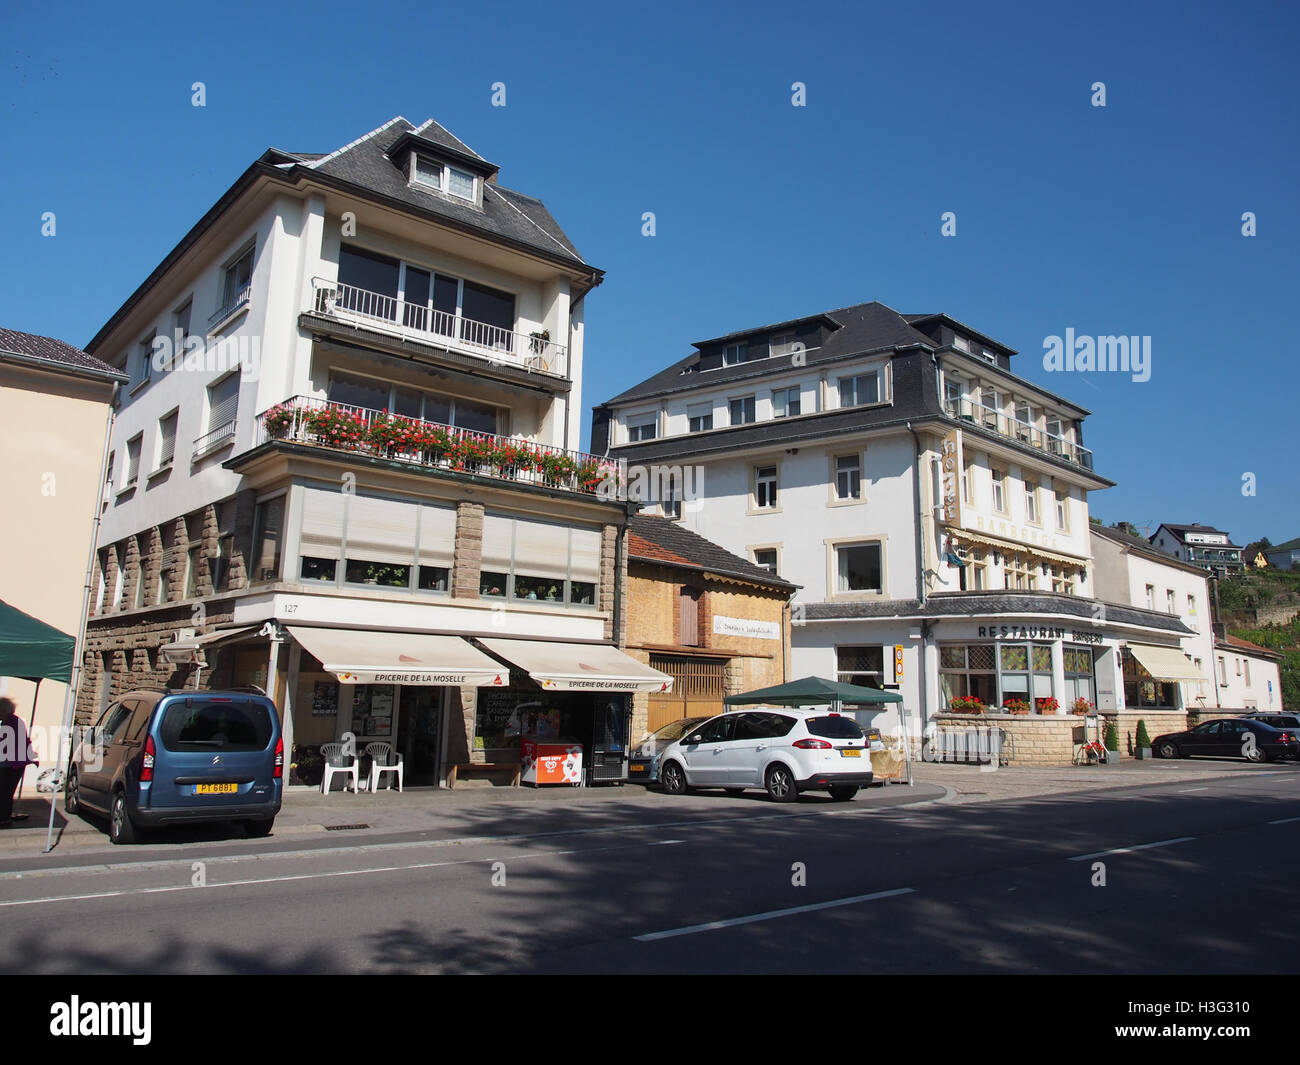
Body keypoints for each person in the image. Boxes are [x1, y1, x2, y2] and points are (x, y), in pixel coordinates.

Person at [0, 698, 37, 827]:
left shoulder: (12, 723)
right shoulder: (10, 722)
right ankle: (4, 817)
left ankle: (4, 819)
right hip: (11, 763)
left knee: (5, 792)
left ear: (3, 710)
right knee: (5, 792)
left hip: (12, 764)